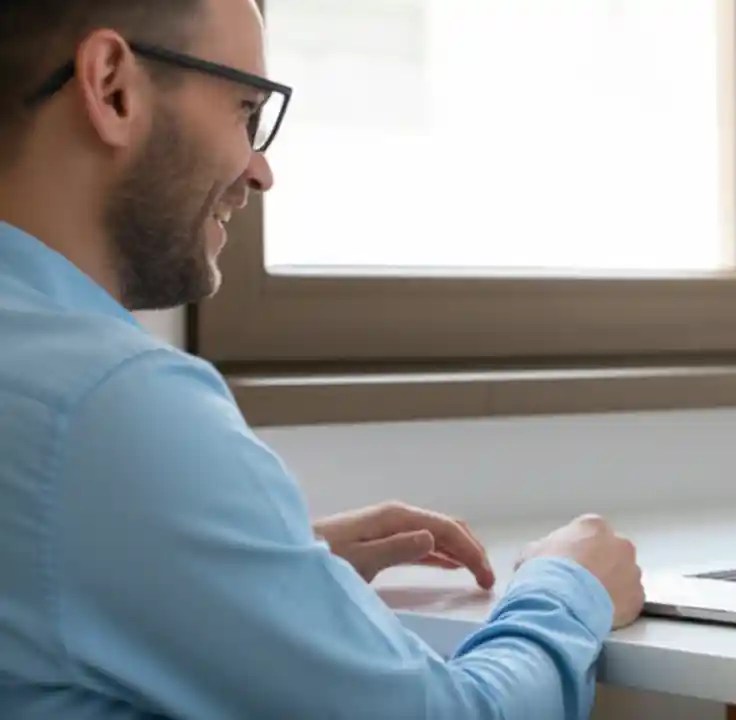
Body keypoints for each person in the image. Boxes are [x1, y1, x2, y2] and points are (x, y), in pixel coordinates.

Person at [0, 0, 645, 718]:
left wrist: (268, 558)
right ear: (113, 86)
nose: (261, 169)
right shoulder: (105, 408)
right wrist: (567, 585)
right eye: (246, 110)